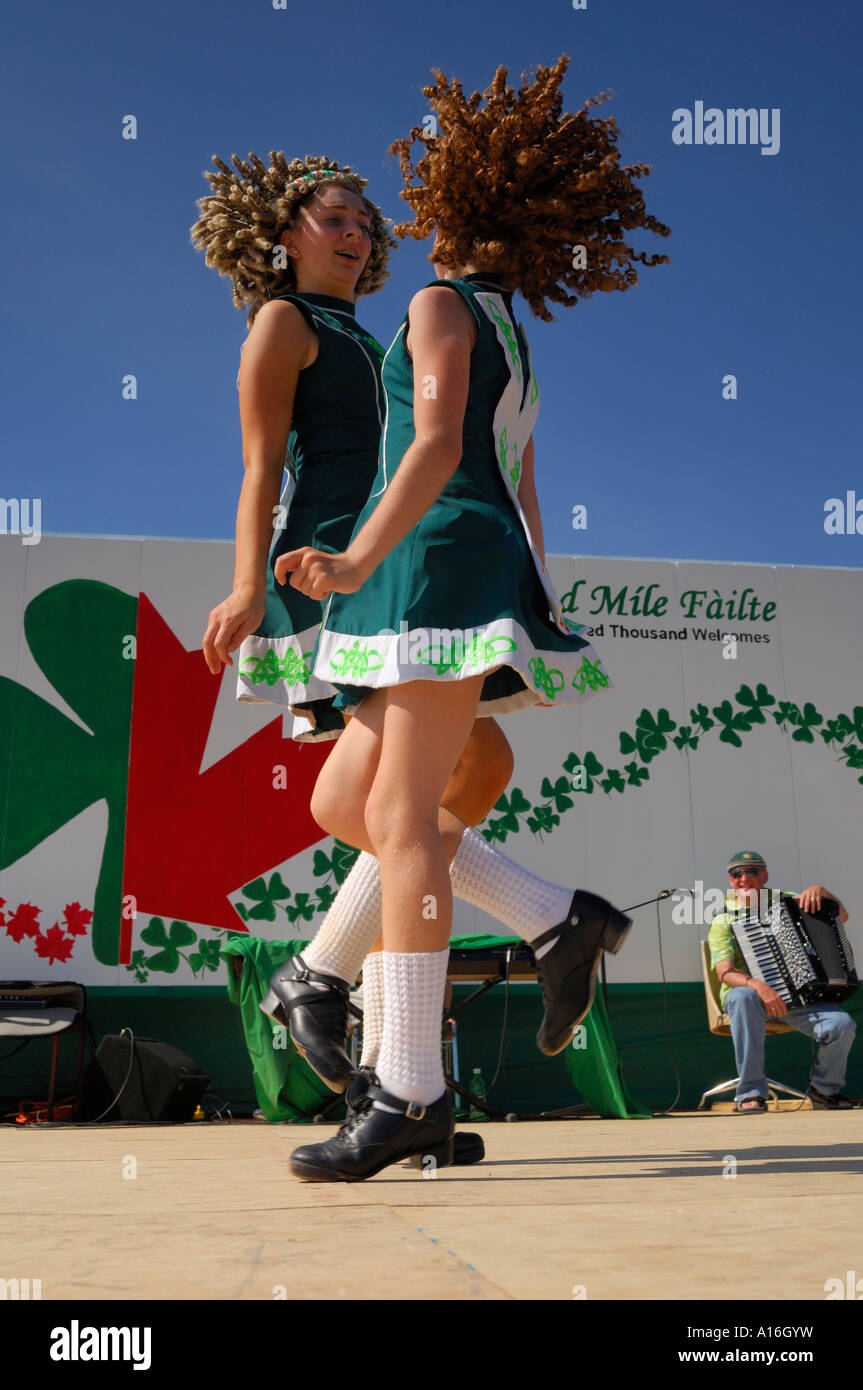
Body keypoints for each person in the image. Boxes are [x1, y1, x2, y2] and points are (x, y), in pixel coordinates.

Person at [272, 57, 670, 1181]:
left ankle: (407, 1089)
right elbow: (524, 482)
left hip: (432, 561)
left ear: (451, 193)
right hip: (461, 563)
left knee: (398, 820)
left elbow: (439, 446)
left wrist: (355, 552)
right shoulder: (514, 332)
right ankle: (555, 918)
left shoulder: (437, 303)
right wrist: (533, 594)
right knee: (346, 799)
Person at [192, 152, 514, 1160]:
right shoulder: (280, 324)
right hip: (331, 575)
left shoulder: (378, 329)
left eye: (368, 223)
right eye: (336, 217)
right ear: (285, 232)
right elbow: (256, 469)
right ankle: (410, 1057)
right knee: (404, 805)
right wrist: (248, 585)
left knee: (439, 788)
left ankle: (348, 1013)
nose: (358, 233)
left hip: (389, 568)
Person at [709, 850, 856, 1112]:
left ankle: (824, 1091)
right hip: (750, 995)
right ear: (730, 880)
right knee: (742, 997)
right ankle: (750, 1092)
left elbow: (841, 917)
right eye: (736, 873)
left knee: (842, 1024)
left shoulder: (789, 902)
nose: (744, 878)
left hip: (797, 997)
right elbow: (724, 972)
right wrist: (759, 986)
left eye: (752, 871)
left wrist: (823, 892)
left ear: (764, 875)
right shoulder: (723, 918)